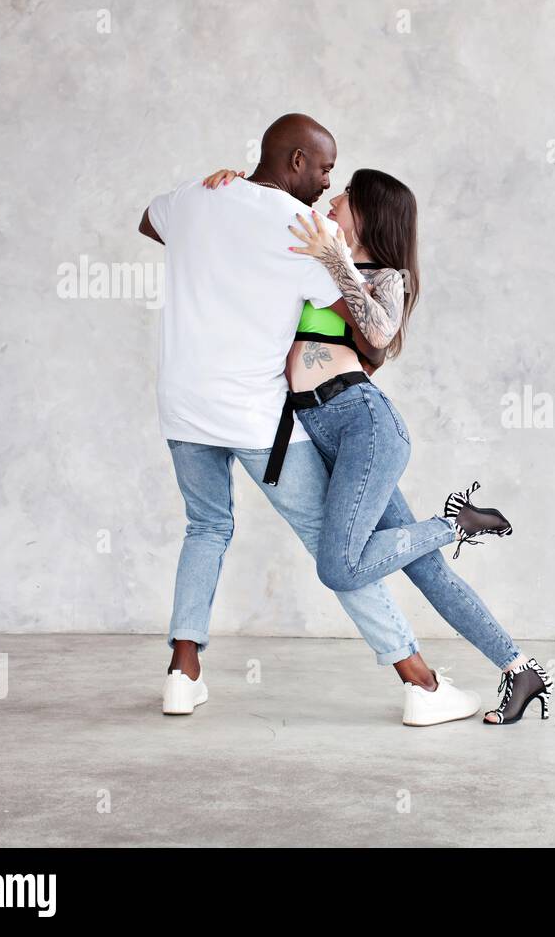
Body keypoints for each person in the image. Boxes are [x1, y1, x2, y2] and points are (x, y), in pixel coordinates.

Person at [140, 113, 505, 726]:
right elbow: (373, 332)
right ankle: (421, 682)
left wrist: (218, 225)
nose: (330, 182)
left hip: (182, 404)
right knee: (336, 548)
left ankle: (183, 673)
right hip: (257, 418)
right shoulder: (302, 229)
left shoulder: (198, 198)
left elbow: (149, 222)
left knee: (205, 528)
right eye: (326, 168)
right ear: (297, 164)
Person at [200, 162, 553, 725]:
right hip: (321, 431)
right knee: (427, 570)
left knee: (338, 568)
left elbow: (380, 330)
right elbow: (260, 226)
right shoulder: (313, 254)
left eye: (345, 195)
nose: (333, 199)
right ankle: (519, 667)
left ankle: (457, 525)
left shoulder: (383, 274)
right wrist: (239, 186)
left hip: (363, 425)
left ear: (369, 215)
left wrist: (336, 261)